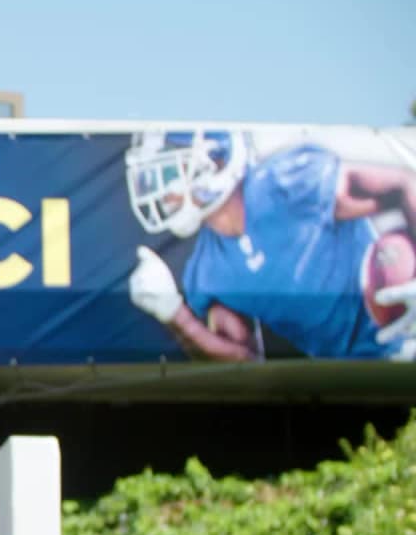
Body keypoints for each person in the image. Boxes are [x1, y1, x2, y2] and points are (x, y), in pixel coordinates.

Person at [126, 129, 416, 361]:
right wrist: (174, 314)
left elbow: (403, 183)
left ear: (214, 160)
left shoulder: (285, 183)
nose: (159, 191)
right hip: (353, 378)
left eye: (167, 173)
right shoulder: (206, 273)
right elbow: (244, 364)